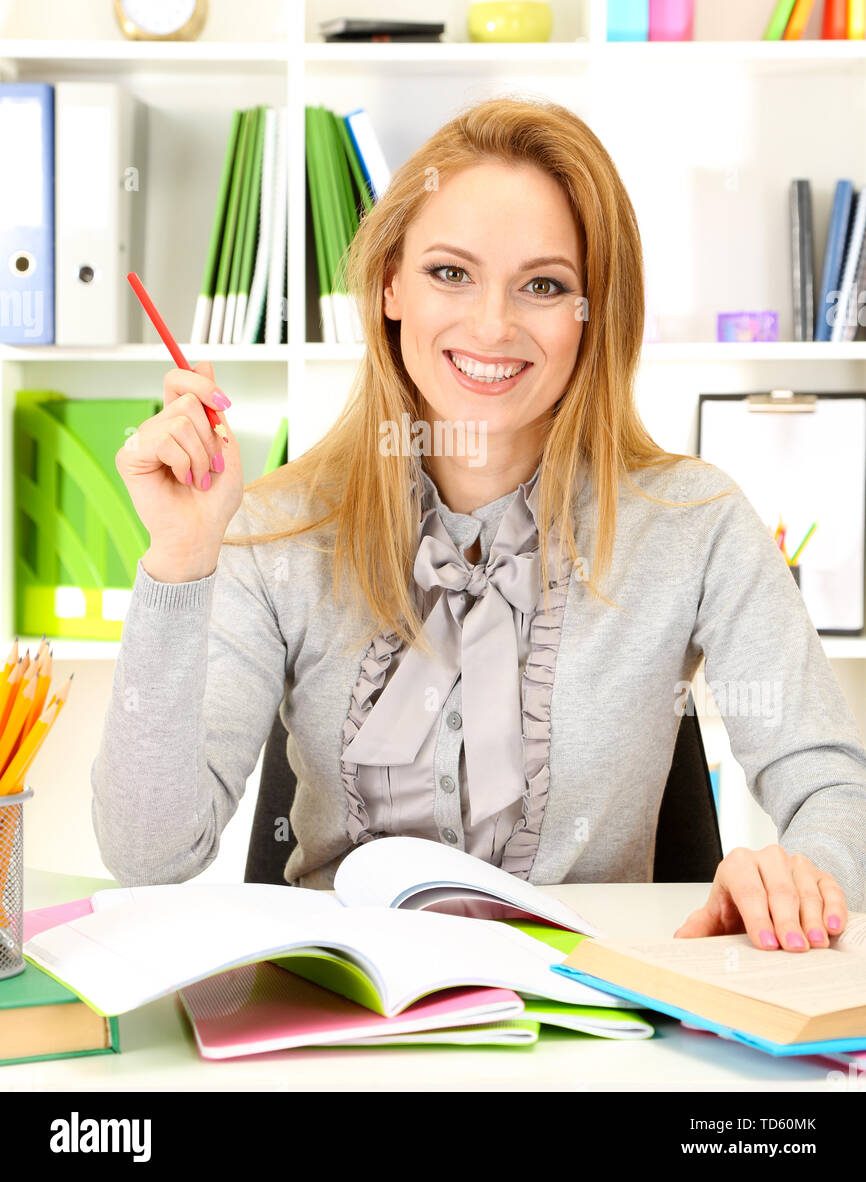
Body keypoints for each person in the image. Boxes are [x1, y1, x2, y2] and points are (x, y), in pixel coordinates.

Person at [95, 96, 866, 955]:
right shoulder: (274, 529)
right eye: (449, 273)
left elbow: (833, 788)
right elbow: (150, 858)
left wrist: (803, 876)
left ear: (593, 312)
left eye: (544, 284)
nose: (492, 325)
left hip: (598, 1034)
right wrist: (181, 558)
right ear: (390, 285)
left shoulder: (695, 524)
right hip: (342, 1032)